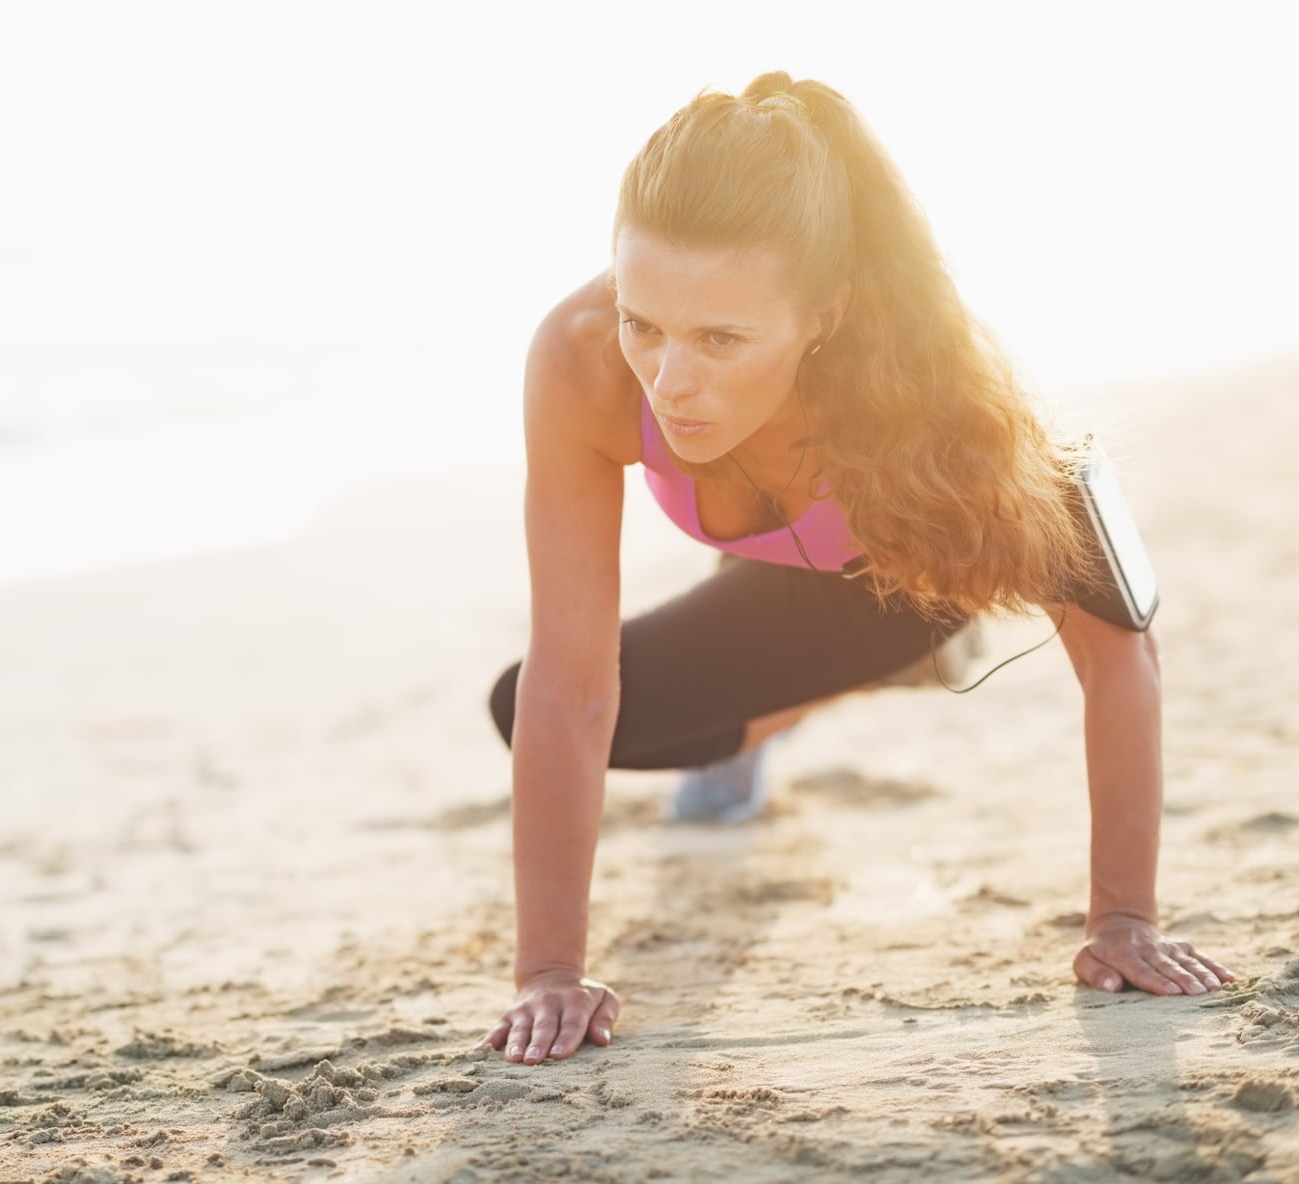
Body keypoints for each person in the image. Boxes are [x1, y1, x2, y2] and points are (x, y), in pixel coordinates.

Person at [479, 72, 1233, 1066]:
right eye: (642, 319)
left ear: (824, 317)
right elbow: (573, 687)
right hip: (775, 580)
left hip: (918, 575)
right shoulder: (580, 360)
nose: (667, 379)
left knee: (908, 606)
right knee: (524, 706)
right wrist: (549, 971)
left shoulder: (944, 397)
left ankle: (910, 651)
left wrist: (1124, 917)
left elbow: (1118, 649)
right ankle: (781, 719)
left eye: (721, 339)